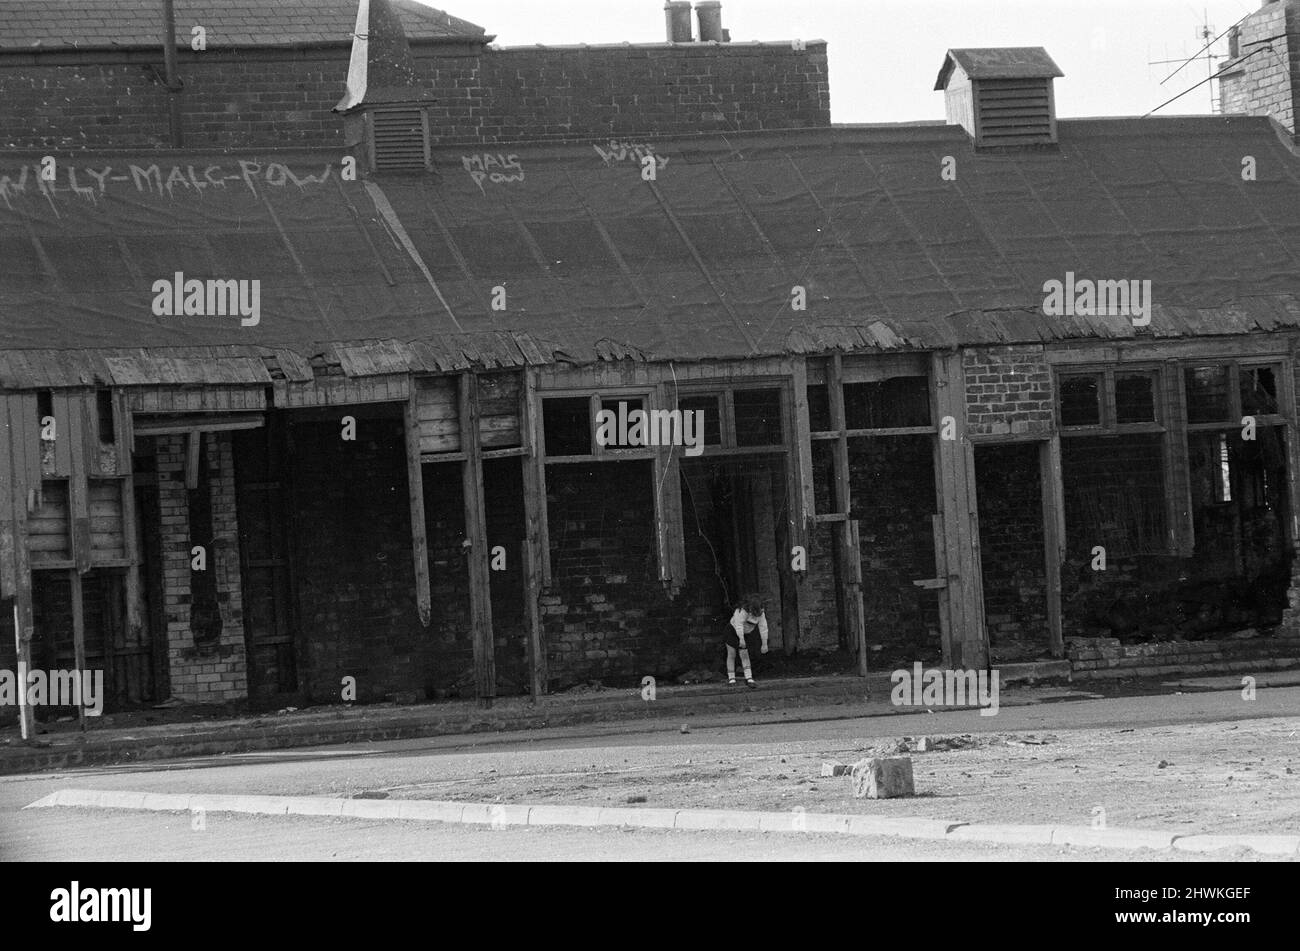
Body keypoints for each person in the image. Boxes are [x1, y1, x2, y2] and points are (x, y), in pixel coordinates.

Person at [725, 593, 769, 688]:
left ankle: (749, 677)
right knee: (732, 653)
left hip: (746, 634)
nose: (761, 612)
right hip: (733, 631)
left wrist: (764, 644)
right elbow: (739, 625)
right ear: (752, 609)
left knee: (744, 654)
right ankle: (731, 678)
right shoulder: (742, 611)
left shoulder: (761, 613)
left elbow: (763, 627)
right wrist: (741, 639)